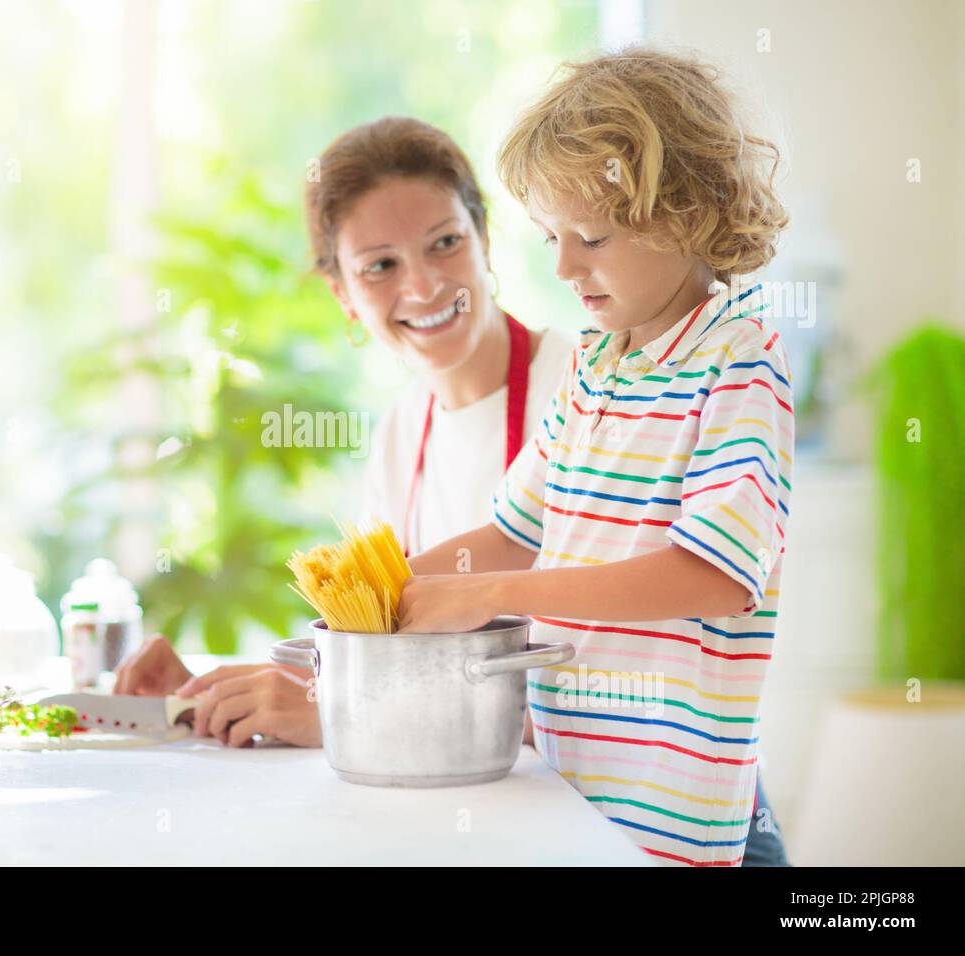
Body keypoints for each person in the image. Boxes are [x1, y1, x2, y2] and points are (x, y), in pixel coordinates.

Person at [396, 48, 793, 866]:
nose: (564, 266)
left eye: (593, 237)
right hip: (564, 786)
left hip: (663, 819)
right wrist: (388, 590)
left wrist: (493, 595)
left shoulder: (738, 362)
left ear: (688, 212)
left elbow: (712, 576)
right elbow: (513, 531)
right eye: (551, 236)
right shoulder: (595, 365)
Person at [114, 115, 572, 747]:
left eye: (444, 243)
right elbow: (385, 651)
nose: (424, 285)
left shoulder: (583, 393)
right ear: (343, 295)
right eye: (380, 265)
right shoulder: (399, 434)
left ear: (484, 238)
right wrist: (208, 696)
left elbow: (599, 687)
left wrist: (343, 712)